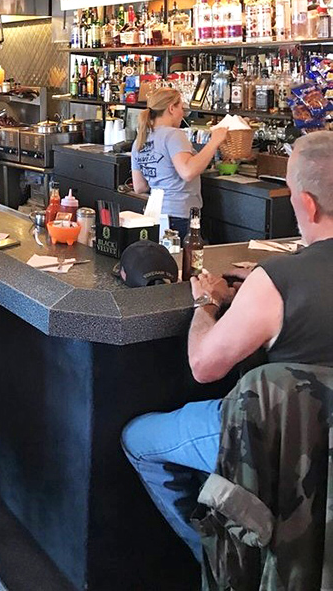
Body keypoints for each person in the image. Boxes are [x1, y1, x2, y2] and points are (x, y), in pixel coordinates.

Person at [121, 131, 333, 564]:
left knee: (138, 438)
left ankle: (223, 563)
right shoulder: (274, 278)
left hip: (281, 443)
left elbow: (204, 365)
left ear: (306, 203)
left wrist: (207, 301)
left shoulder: (277, 282)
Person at [131, 88, 228, 237]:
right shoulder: (174, 135)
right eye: (181, 108)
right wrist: (214, 141)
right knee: (184, 259)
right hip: (178, 214)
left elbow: (139, 187)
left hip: (154, 214)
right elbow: (187, 172)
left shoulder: (140, 139)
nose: (182, 113)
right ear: (171, 108)